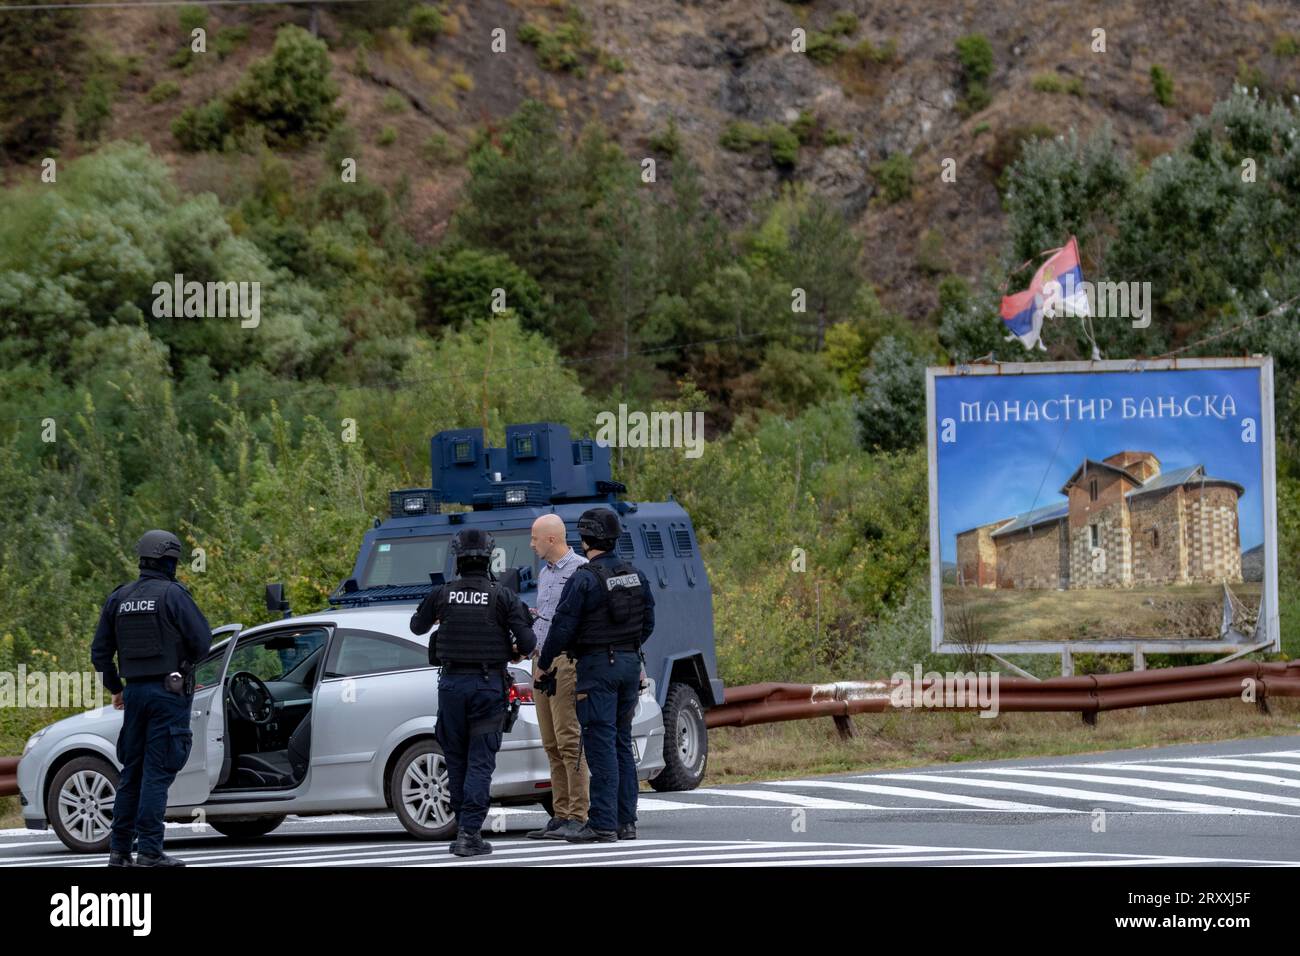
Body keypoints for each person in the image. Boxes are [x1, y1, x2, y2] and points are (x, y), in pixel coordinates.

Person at [410, 527, 536, 857]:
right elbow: (529, 643)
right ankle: (469, 834)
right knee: (480, 762)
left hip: (451, 686)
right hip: (486, 686)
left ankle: (464, 830)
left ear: (458, 559)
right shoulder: (502, 596)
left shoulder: (443, 594)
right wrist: (510, 648)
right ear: (489, 558)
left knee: (456, 759)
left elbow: (417, 626)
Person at [90, 530, 213, 868]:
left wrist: (117, 688)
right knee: (157, 773)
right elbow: (203, 644)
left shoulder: (119, 598)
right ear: (170, 560)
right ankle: (149, 851)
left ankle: (119, 851)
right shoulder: (174, 595)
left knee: (133, 772)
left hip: (135, 694)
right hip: (168, 693)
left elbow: (99, 653)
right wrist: (184, 668)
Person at [539, 507, 654, 843]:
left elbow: (562, 626)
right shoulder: (635, 574)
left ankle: (603, 823)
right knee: (621, 741)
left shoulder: (585, 578)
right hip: (630, 665)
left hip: (597, 670)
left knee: (600, 742)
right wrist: (626, 647)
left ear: (585, 538)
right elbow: (648, 622)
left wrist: (545, 663)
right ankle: (625, 821)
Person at [524, 514, 589, 840]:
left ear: (551, 539)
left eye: (535, 538)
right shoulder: (545, 575)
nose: (531, 544)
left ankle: (579, 813)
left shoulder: (579, 570)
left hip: (565, 662)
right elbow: (546, 619)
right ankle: (560, 813)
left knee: (568, 739)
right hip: (542, 662)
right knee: (550, 742)